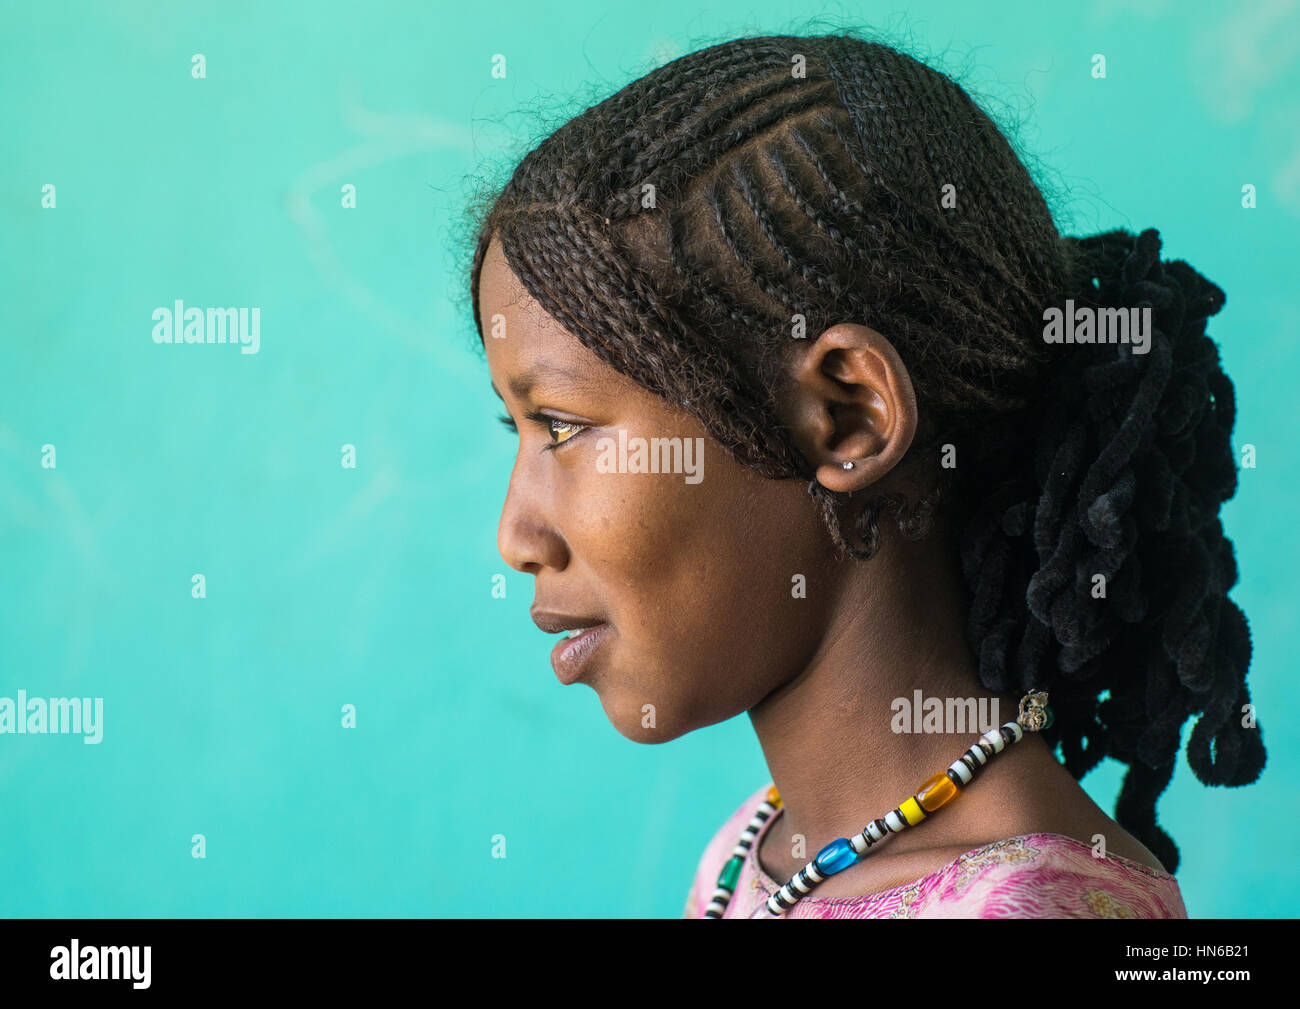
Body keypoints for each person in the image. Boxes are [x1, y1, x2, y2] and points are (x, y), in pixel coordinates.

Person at [464, 30, 1265, 917]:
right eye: (519, 428)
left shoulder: (1029, 908)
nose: (515, 535)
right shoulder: (752, 853)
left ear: (848, 416)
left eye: (564, 427)